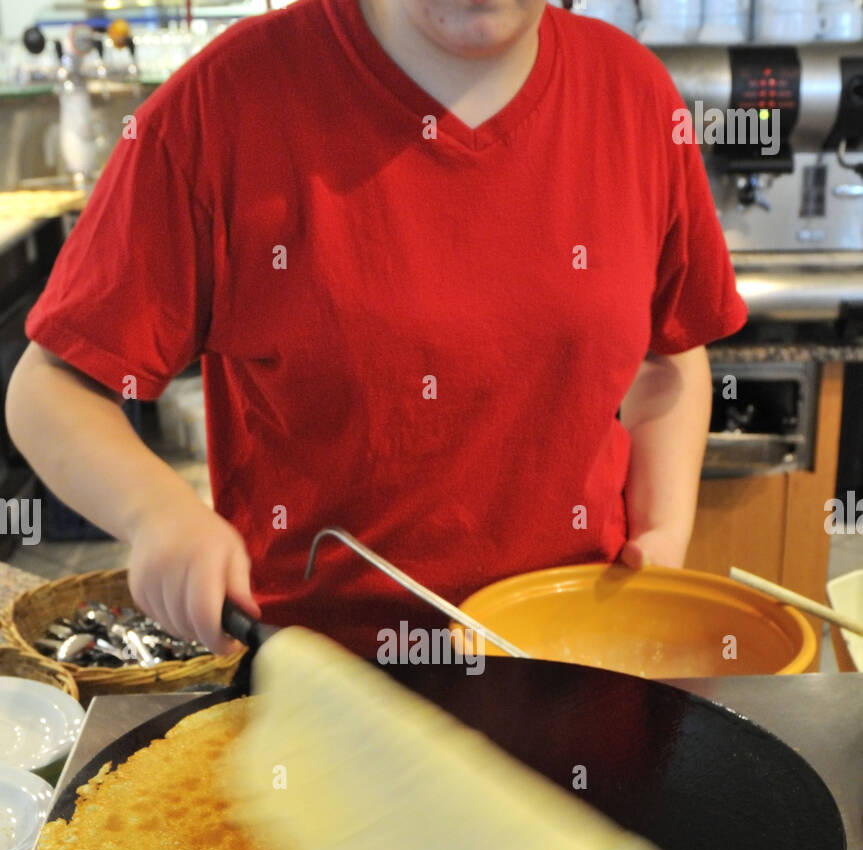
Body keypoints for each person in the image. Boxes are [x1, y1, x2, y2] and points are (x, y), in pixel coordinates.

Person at [6, 0, 746, 658]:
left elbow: (672, 357)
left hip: (571, 660)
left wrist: (664, 532)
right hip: (325, 684)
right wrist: (156, 512)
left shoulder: (631, 91)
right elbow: (52, 386)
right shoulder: (228, 100)